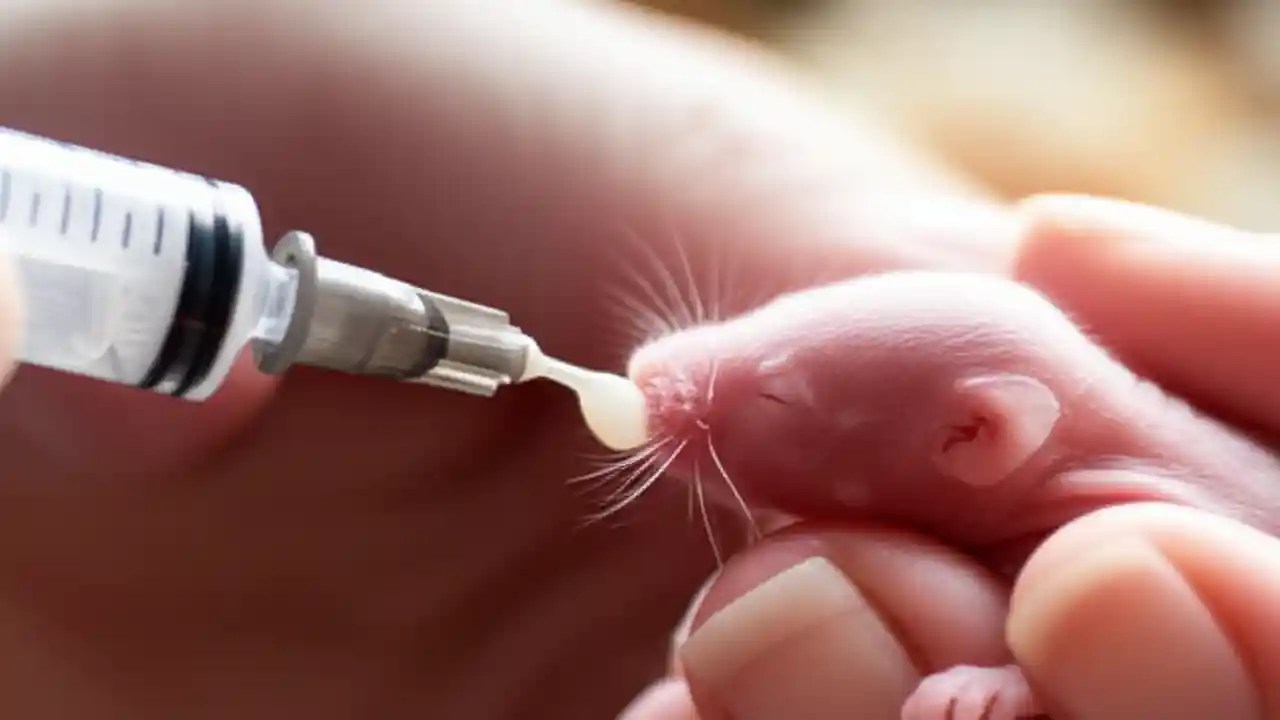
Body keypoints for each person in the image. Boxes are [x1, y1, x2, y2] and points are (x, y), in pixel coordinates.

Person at [0, 2, 1274, 719]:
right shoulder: (1031, 466)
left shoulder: (1149, 504)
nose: (673, 366)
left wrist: (1004, 671)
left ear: (974, 437)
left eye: (770, 384)